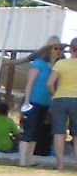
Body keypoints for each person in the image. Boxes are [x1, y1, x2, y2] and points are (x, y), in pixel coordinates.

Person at [18, 37, 61, 166]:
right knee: (29, 129)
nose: (57, 51)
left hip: (46, 102)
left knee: (37, 130)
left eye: (59, 49)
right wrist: (26, 100)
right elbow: (30, 82)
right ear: (49, 50)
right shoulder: (38, 63)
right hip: (33, 100)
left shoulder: (57, 67)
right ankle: (22, 160)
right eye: (55, 48)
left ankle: (30, 158)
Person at [47, 38, 77, 172]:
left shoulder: (61, 64)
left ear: (70, 49)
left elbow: (50, 83)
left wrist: (54, 94)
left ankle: (60, 164)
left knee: (59, 132)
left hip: (60, 98)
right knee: (76, 134)